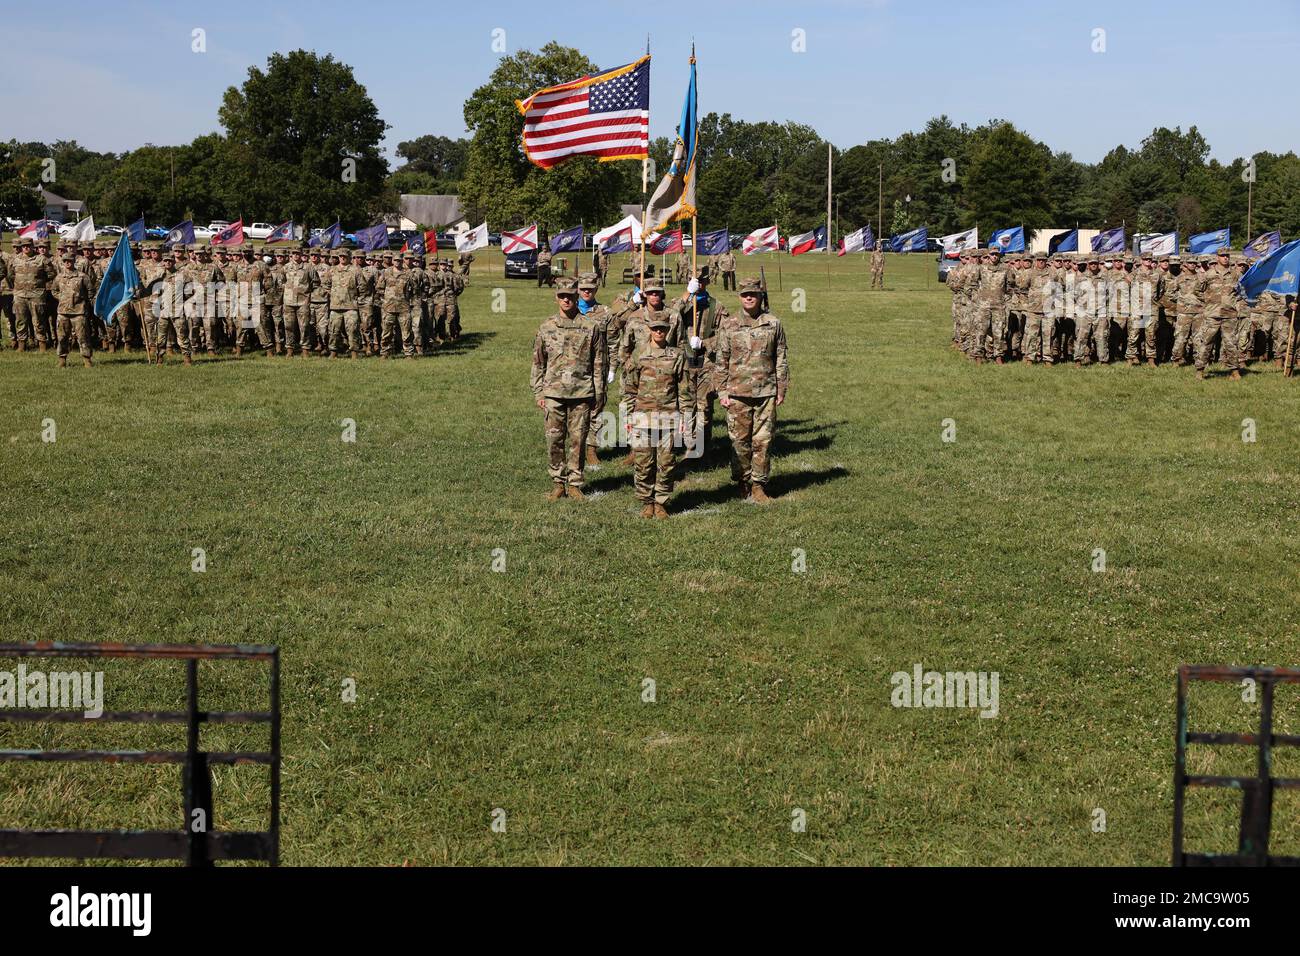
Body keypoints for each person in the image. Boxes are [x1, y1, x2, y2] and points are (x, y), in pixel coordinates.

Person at [530, 276, 607, 501]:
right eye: (562, 296)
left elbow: (599, 363)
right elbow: (538, 362)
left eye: (570, 296)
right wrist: (538, 392)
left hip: (581, 393)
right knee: (554, 440)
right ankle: (558, 482)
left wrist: (599, 393)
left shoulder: (591, 327)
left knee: (577, 440)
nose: (566, 300)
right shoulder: (546, 327)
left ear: (576, 297)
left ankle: (575, 483)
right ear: (556, 298)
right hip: (553, 393)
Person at [715, 277, 788, 503]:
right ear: (739, 297)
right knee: (739, 441)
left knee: (763, 441)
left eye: (753, 294)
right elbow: (721, 360)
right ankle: (742, 482)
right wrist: (722, 391)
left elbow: (781, 358)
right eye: (745, 294)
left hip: (766, 392)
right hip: (737, 393)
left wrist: (781, 387)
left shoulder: (773, 323)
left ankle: (759, 485)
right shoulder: (730, 324)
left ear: (760, 296)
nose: (749, 297)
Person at [624, 314, 690, 518]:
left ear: (668, 329)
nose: (659, 331)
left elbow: (684, 389)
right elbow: (630, 388)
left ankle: (661, 501)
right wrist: (628, 416)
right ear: (650, 329)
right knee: (643, 463)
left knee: (667, 463)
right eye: (655, 328)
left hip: (669, 418)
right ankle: (647, 501)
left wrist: (685, 418)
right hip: (642, 418)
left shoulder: (677, 355)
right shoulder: (639, 354)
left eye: (662, 328)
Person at [671, 266, 727, 458]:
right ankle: (688, 443)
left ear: (708, 281)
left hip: (706, 363)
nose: (700, 284)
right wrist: (688, 293)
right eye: (695, 280)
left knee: (704, 406)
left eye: (702, 280)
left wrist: (705, 342)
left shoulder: (716, 306)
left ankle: (702, 445)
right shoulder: (682, 303)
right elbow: (668, 317)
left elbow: (727, 335)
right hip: (684, 362)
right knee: (686, 405)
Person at [52, 250, 94, 368]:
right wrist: (61, 298)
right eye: (65, 261)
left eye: (70, 261)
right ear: (63, 262)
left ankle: (87, 359)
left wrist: (82, 300)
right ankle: (62, 359)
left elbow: (91, 290)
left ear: (74, 262)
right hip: (63, 312)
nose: (67, 263)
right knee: (62, 337)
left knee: (83, 336)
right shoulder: (59, 277)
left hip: (79, 312)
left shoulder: (82, 276)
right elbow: (54, 290)